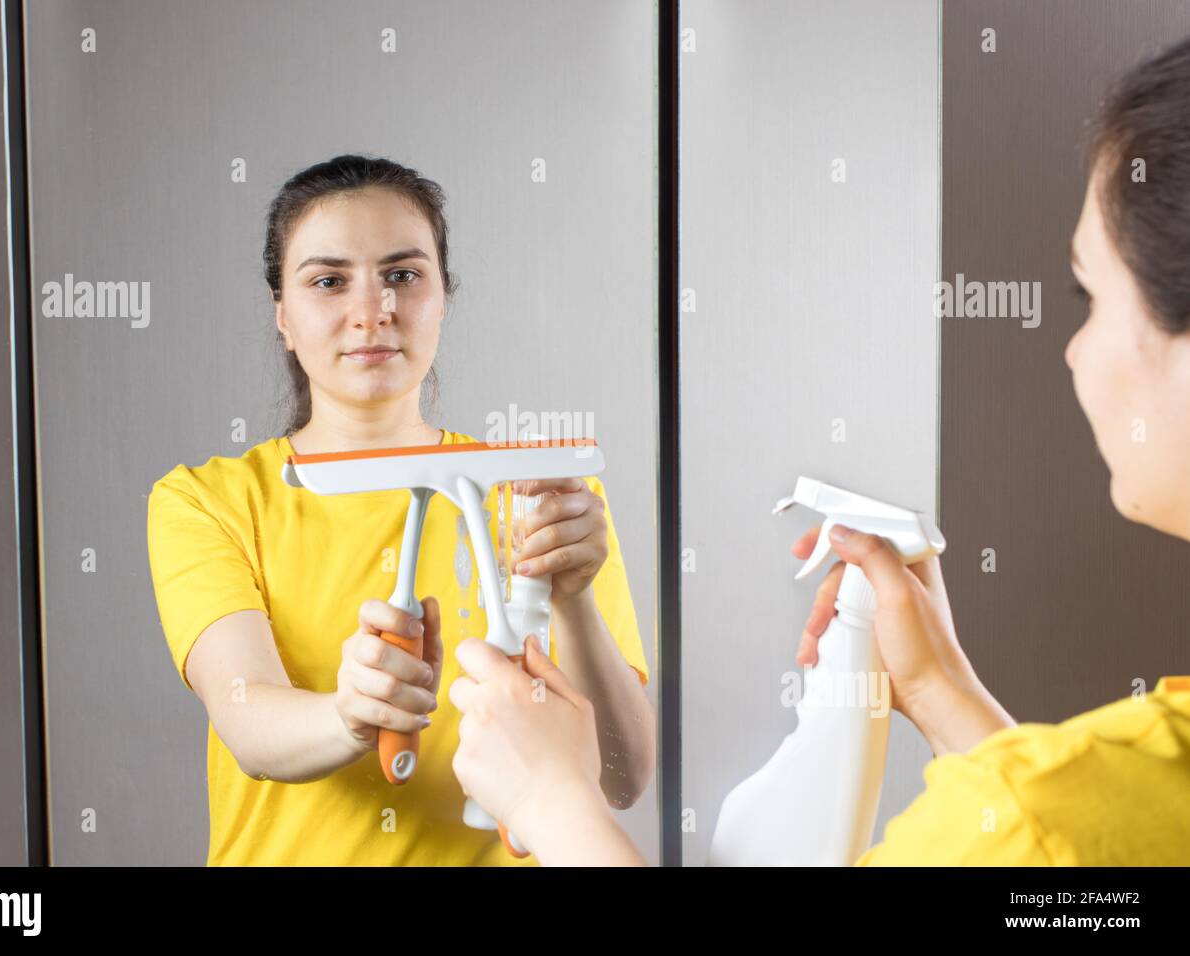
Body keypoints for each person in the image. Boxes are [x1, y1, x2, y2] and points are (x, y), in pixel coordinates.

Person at [449, 36, 1190, 866]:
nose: (1073, 351)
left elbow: (1050, 845)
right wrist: (940, 692)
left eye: (1088, 295)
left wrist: (552, 801)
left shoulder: (1052, 811)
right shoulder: (1136, 783)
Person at [146, 155, 653, 865]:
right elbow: (247, 722)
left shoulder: (544, 495)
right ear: (283, 317)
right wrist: (349, 714)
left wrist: (573, 602)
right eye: (328, 281)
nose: (372, 311)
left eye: (403, 275)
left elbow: (623, 777)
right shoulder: (208, 501)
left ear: (444, 296)